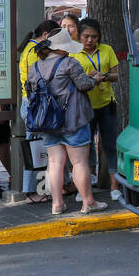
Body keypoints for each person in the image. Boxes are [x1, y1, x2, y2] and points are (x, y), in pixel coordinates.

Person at [26, 37, 107, 215]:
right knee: (79, 162)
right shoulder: (69, 63)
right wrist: (96, 79)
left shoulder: (35, 67)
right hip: (73, 119)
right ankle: (88, 202)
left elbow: (30, 91)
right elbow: (84, 85)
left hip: (47, 122)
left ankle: (57, 204)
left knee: (54, 163)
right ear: (61, 49)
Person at [72, 17, 121, 201]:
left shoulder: (107, 50)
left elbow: (116, 75)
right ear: (79, 36)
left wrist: (104, 76)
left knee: (110, 145)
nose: (90, 40)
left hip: (106, 104)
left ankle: (114, 187)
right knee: (84, 148)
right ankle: (83, 188)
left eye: (94, 36)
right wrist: (87, 79)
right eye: (86, 36)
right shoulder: (73, 53)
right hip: (84, 107)